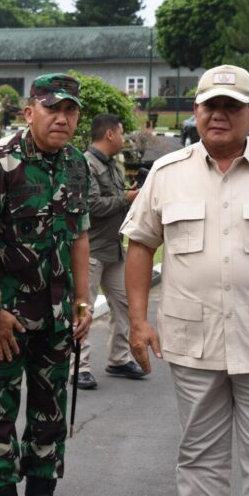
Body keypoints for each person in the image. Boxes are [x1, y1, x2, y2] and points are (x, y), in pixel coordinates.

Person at [121, 64, 249, 496]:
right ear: (195, 111)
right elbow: (141, 245)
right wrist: (139, 321)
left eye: (231, 107)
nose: (219, 115)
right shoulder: (166, 172)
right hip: (193, 341)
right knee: (199, 459)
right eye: (210, 106)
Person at [0, 73, 93, 496]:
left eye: (70, 110)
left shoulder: (76, 163)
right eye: (52, 108)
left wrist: (81, 300)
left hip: (56, 318)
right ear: (29, 112)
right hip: (5, 318)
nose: (62, 118)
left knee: (49, 418)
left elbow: (78, 234)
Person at [72, 114, 144, 390]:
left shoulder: (112, 165)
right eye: (122, 133)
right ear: (110, 134)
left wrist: (129, 195)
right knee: (82, 307)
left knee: (124, 303)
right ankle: (79, 365)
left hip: (112, 247)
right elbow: (90, 206)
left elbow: (112, 199)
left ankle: (119, 358)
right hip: (89, 249)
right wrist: (126, 198)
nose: (124, 139)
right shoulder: (85, 164)